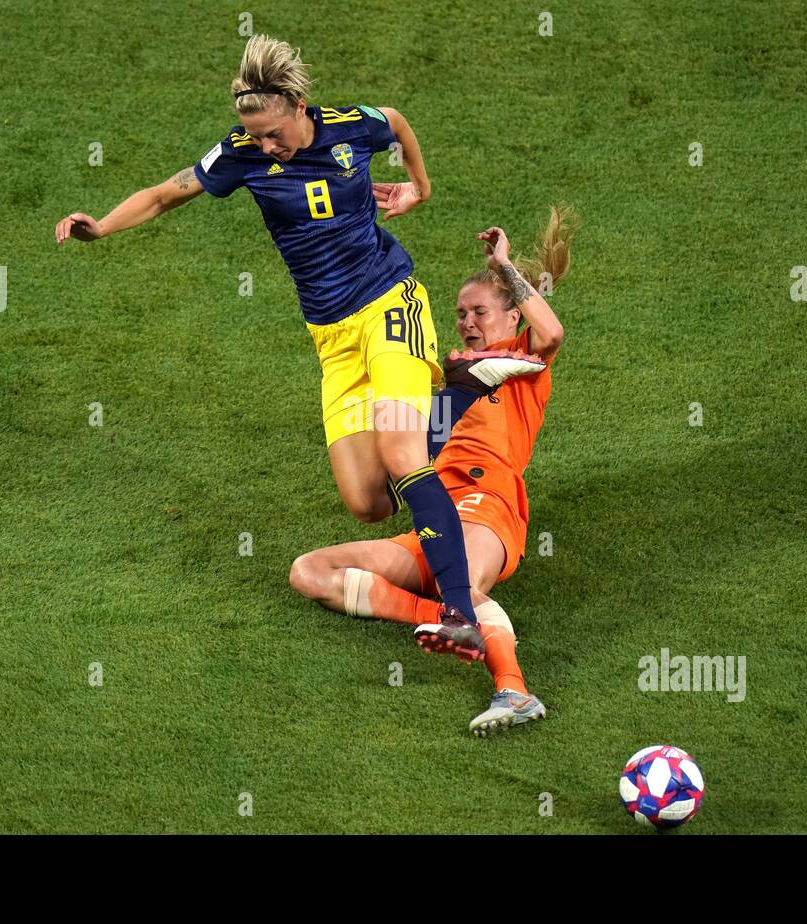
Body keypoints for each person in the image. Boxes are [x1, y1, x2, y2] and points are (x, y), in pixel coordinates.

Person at [54, 35, 539, 657]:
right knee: (366, 501)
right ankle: (461, 393)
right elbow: (165, 193)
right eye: (254, 136)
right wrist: (102, 225)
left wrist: (420, 185)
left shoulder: (349, 128)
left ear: (300, 106)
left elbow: (395, 120)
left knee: (400, 452)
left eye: (273, 134)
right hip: (332, 339)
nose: (265, 146)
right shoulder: (240, 155)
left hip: (390, 304)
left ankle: (460, 612)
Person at [289, 208, 573, 734]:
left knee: (462, 585)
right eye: (461, 312)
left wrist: (505, 264)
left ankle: (513, 690)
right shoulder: (450, 372)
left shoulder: (524, 363)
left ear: (513, 317)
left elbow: (551, 331)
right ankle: (445, 615)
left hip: (487, 506)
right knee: (308, 572)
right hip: (435, 517)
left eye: (480, 312)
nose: (467, 322)